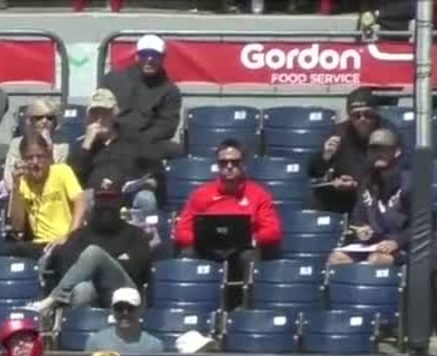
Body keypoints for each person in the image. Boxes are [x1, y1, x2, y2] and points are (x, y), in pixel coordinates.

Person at [173, 138, 282, 304]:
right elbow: (181, 231)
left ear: (243, 164)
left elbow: (273, 231)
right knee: (188, 253)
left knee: (250, 256)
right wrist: (200, 240)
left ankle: (247, 306)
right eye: (223, 162)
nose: (229, 166)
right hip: (208, 248)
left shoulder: (258, 194)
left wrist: (251, 239)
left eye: (235, 162)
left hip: (241, 249)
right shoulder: (201, 194)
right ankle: (191, 304)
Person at [29, 186, 152, 313]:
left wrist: (97, 265)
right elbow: (67, 266)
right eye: (102, 200)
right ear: (94, 205)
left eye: (112, 200)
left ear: (120, 204)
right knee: (83, 289)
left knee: (93, 253)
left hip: (125, 292)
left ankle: (53, 298)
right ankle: (79, 325)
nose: (107, 206)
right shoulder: (79, 235)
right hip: (90, 290)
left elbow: (137, 268)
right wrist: (113, 261)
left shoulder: (135, 234)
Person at [329, 128, 410, 268]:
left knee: (376, 260)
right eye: (373, 149)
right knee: (337, 258)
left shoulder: (410, 183)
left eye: (383, 149)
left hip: (405, 246)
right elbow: (358, 219)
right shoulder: (367, 183)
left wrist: (396, 241)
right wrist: (362, 230)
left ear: (396, 152)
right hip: (374, 244)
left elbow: (424, 225)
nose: (377, 154)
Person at [308, 89, 391, 215]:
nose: (362, 119)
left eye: (368, 115)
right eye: (356, 116)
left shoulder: (387, 133)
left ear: (376, 114)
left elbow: (395, 172)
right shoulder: (338, 133)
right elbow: (314, 172)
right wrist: (325, 156)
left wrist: (358, 184)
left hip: (378, 195)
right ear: (349, 116)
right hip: (345, 198)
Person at [100, 34, 182, 159]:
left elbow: (166, 126)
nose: (149, 60)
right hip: (111, 136)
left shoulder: (170, 90)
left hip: (144, 142)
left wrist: (137, 140)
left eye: (155, 55)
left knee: (176, 150)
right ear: (137, 56)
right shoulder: (113, 79)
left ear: (162, 58)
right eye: (145, 54)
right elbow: (99, 112)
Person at [84, 287, 166, 354]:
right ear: (112, 310)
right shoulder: (96, 343)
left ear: (140, 310)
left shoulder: (154, 346)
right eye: (119, 308)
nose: (125, 313)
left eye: (130, 308)